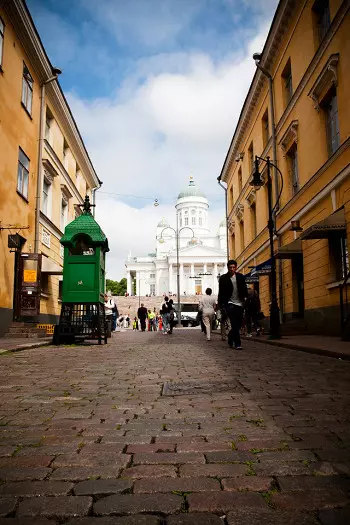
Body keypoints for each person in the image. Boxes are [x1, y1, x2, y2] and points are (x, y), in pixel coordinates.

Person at [218, 259, 248, 350]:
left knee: (238, 325)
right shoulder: (223, 278)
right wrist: (220, 305)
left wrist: (245, 297)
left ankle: (230, 338)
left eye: (233, 267)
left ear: (236, 267)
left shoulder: (240, 277)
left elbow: (244, 288)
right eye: (230, 267)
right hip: (229, 303)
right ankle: (238, 343)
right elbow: (221, 293)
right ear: (227, 268)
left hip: (239, 303)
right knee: (234, 324)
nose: (232, 269)